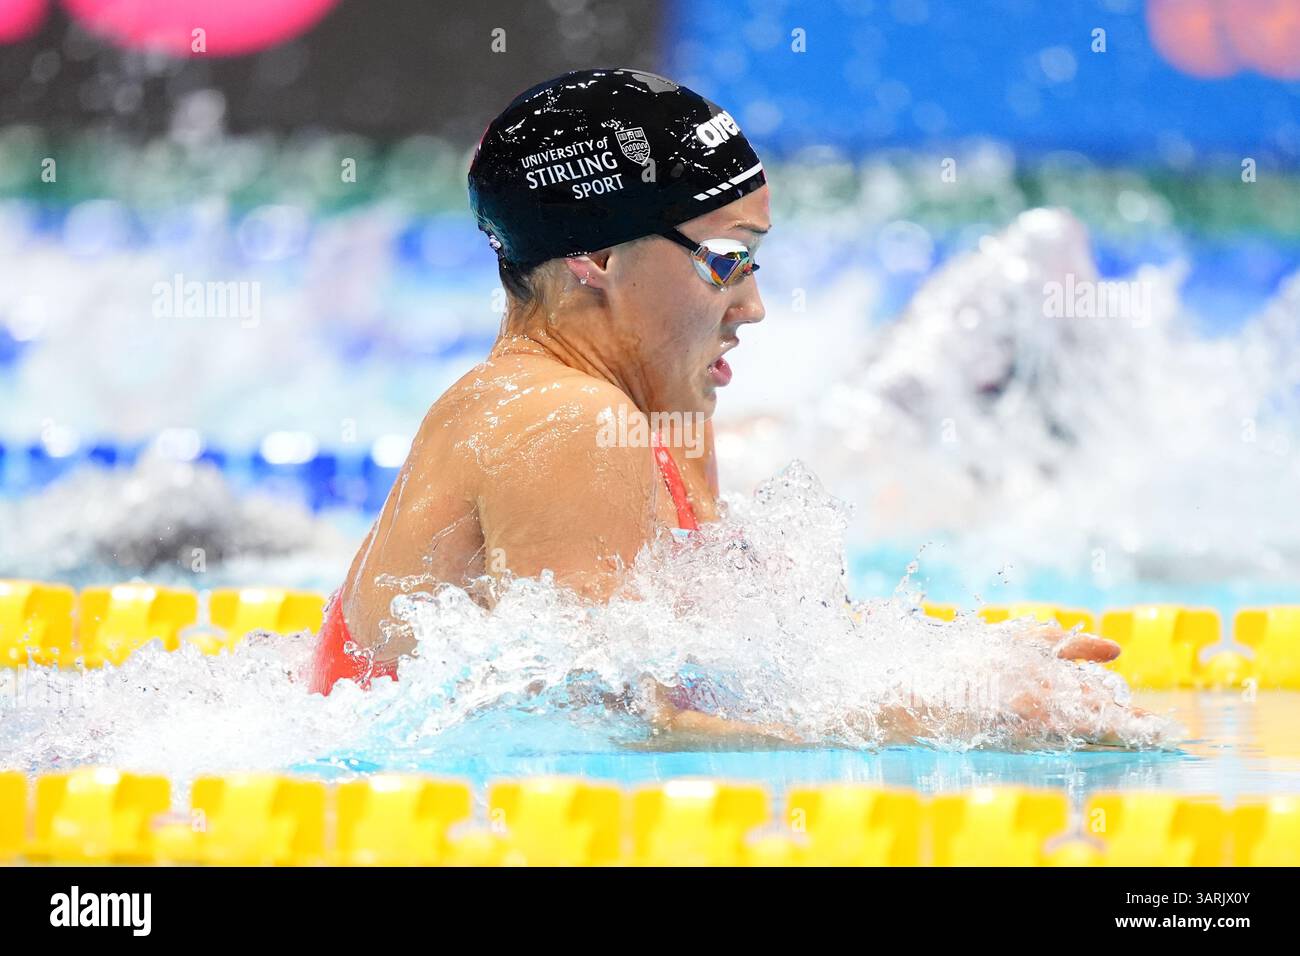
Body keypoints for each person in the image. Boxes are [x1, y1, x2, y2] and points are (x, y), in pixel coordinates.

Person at [309, 67, 1142, 747]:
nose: (753, 306)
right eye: (726, 262)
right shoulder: (559, 421)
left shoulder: (659, 409)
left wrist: (964, 661)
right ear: (595, 255)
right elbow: (600, 733)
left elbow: (719, 657)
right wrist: (959, 718)